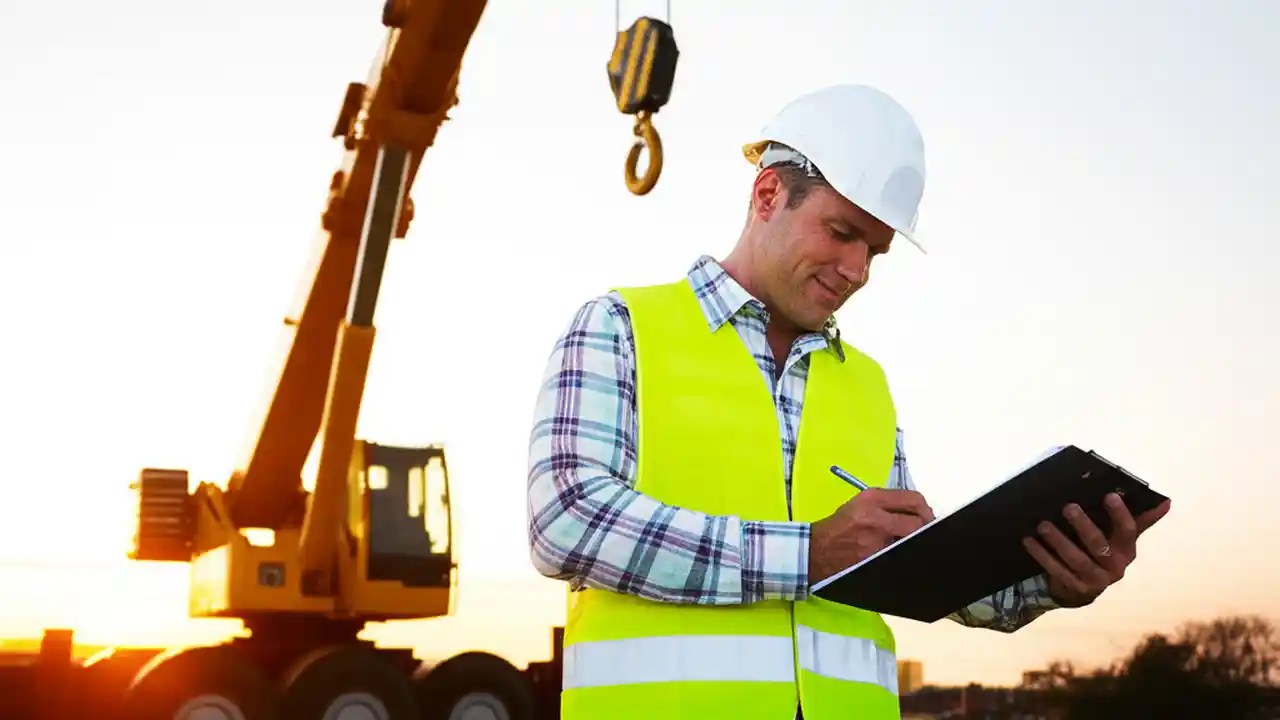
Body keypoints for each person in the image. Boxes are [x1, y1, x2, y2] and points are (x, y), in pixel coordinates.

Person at [525, 84, 1171, 720]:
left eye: (875, 251)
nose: (858, 269)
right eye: (841, 233)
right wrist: (808, 553)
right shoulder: (620, 328)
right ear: (767, 194)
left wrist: (1054, 581)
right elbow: (566, 521)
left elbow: (915, 568)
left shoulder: (863, 382)